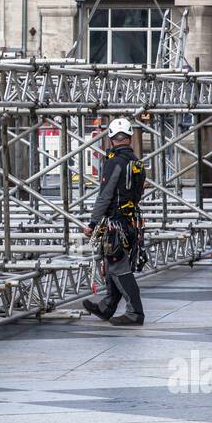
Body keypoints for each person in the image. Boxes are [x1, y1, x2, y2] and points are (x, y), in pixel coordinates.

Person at [82, 117, 147, 327]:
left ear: (111, 139)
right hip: (130, 222)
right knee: (112, 264)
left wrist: (92, 223)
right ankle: (107, 305)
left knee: (118, 267)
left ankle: (135, 312)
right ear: (128, 138)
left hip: (116, 223)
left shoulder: (113, 162)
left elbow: (105, 195)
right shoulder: (136, 163)